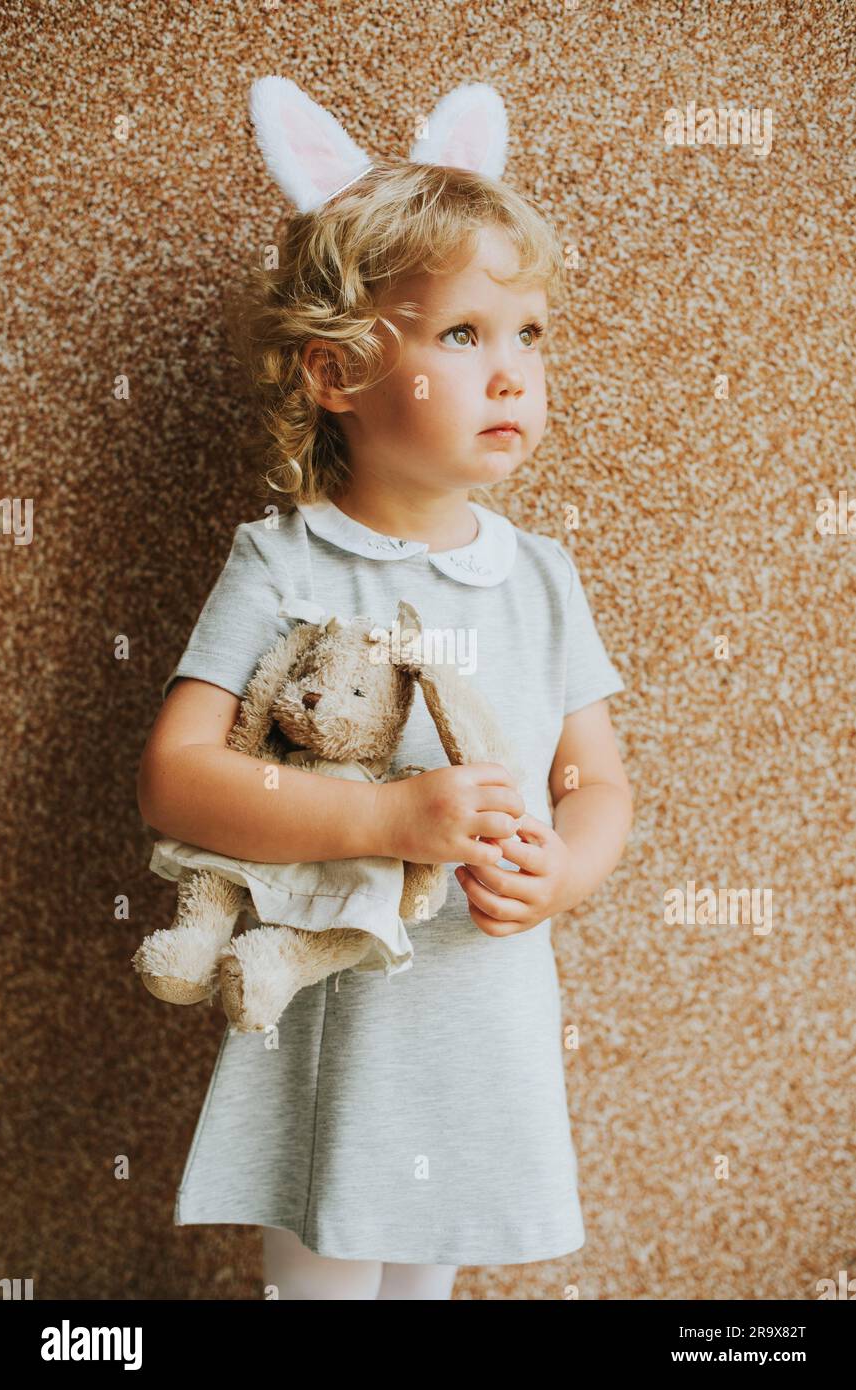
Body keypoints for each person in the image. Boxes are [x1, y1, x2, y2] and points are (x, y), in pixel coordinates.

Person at [136, 81, 633, 1301]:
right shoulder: (286, 559)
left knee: (426, 1278)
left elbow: (598, 779)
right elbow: (179, 776)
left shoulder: (540, 576)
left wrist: (563, 870)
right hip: (335, 1015)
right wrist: (385, 821)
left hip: (479, 1009)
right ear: (338, 372)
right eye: (462, 336)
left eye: (529, 334)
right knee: (324, 1276)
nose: (510, 372)